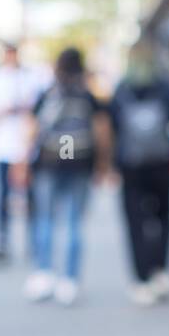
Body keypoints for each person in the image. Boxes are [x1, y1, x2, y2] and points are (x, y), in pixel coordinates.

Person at [20, 47, 109, 306]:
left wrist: (23, 162)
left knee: (45, 218)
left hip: (49, 162)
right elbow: (102, 131)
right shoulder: (89, 95)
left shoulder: (47, 93)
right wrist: (103, 164)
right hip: (80, 164)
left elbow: (32, 129)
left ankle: (43, 274)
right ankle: (69, 280)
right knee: (74, 222)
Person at [108, 41, 169, 306]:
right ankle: (160, 270)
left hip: (131, 164)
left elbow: (112, 126)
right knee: (163, 216)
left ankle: (141, 279)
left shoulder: (121, 88)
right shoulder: (164, 86)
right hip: (161, 162)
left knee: (134, 221)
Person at [0, 41, 41, 265]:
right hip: (2, 146)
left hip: (25, 148)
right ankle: (2, 240)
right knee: (2, 196)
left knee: (30, 197)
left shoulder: (30, 78)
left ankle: (34, 242)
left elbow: (36, 113)